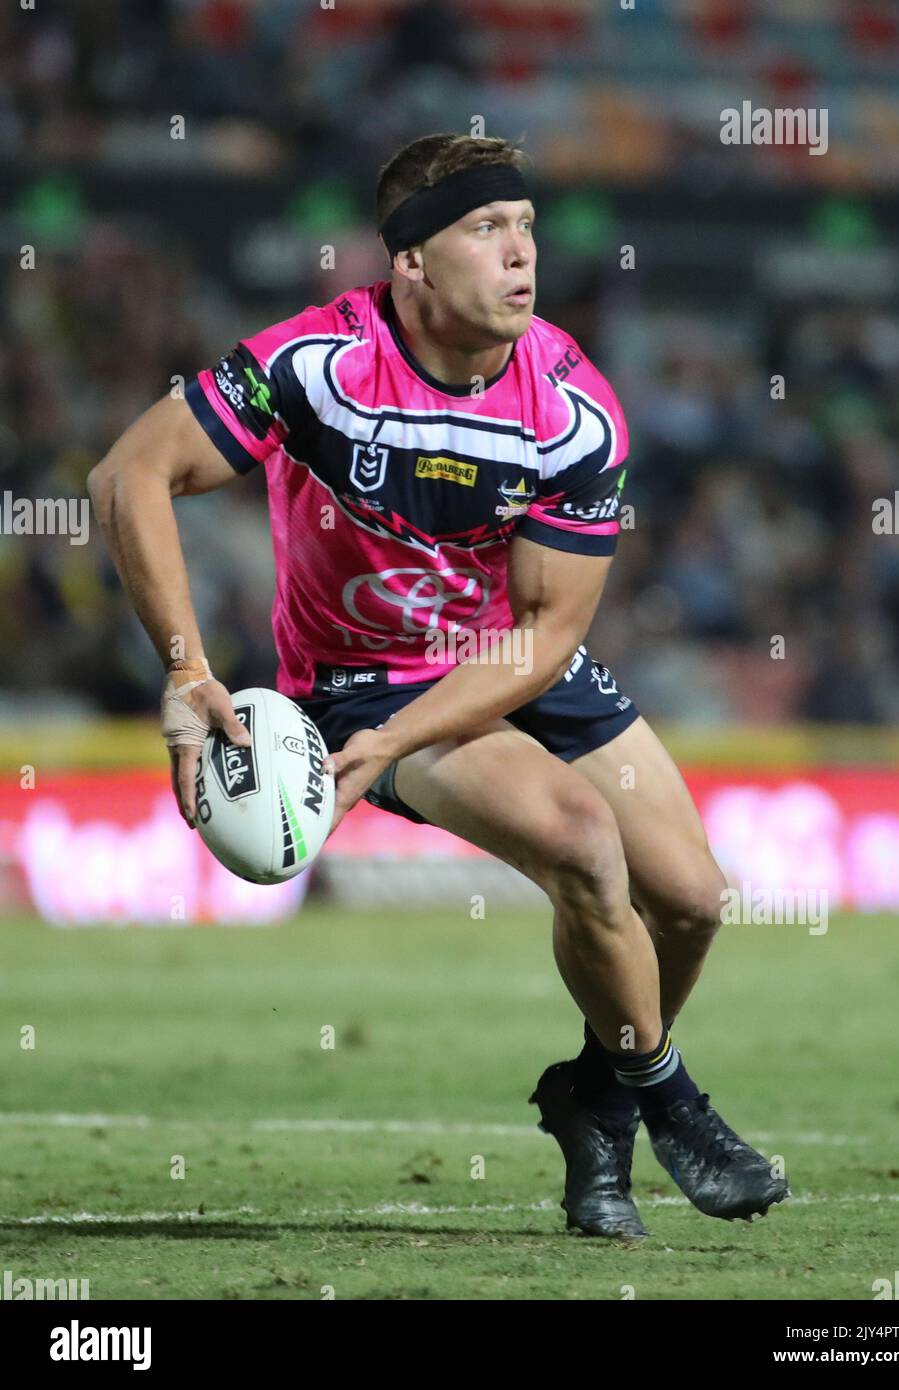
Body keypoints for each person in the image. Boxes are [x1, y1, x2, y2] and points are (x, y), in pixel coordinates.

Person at [88, 133, 787, 1239]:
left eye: (526, 230)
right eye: (485, 229)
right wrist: (187, 670)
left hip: (513, 658)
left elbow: (549, 633)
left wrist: (417, 726)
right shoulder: (315, 366)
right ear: (408, 261)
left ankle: (594, 1103)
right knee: (578, 838)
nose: (521, 254)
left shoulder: (571, 408)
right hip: (361, 679)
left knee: (693, 900)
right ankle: (670, 1099)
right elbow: (128, 471)